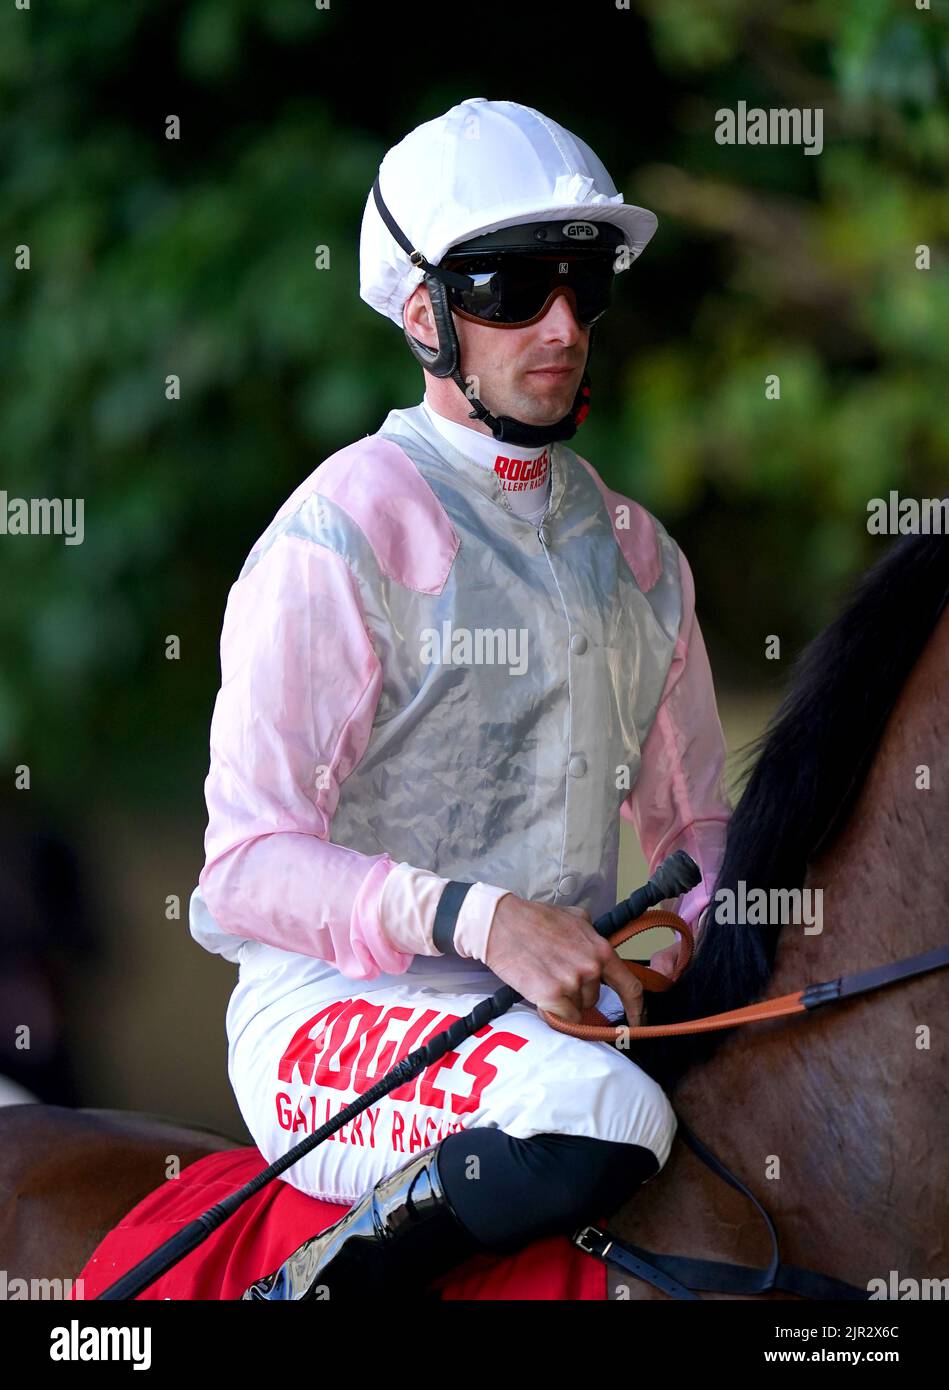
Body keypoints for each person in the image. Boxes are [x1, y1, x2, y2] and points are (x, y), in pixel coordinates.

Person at [188, 97, 732, 1301]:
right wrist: (485, 922)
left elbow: (700, 839)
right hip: (332, 1014)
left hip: (560, 1009)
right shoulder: (335, 534)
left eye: (582, 285)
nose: (559, 325)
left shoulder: (643, 554)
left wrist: (665, 941)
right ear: (426, 314)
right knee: (604, 1114)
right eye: (508, 289)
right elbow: (242, 869)